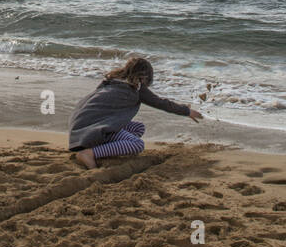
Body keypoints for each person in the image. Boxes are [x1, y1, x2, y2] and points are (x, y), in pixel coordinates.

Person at [68, 56, 203, 169]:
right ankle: (90, 153)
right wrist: (187, 111)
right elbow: (161, 103)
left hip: (80, 129)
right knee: (137, 144)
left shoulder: (110, 82)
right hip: (93, 130)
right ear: (143, 77)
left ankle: (102, 149)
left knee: (138, 128)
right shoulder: (135, 90)